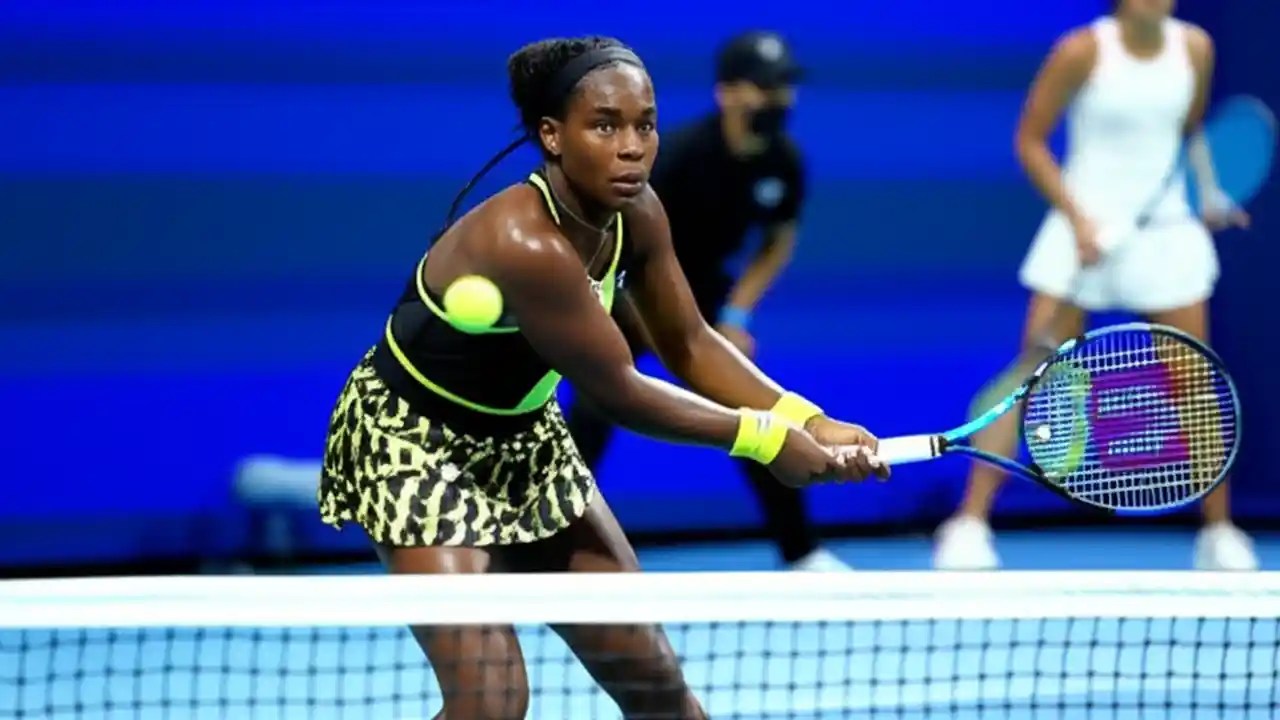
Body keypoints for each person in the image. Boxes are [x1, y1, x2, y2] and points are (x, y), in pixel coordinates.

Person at [317, 36, 888, 720]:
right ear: (552, 137)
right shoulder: (523, 242)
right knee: (490, 702)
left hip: (522, 438)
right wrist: (767, 440)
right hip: (414, 444)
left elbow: (689, 341)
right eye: (605, 125)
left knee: (658, 688)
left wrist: (808, 417)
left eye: (644, 124)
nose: (632, 146)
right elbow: (619, 389)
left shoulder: (638, 213)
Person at [933, 0, 1258, 572]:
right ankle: (968, 522)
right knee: (1032, 378)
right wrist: (1077, 217)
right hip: (1082, 231)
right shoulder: (1081, 50)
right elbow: (1030, 141)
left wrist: (1206, 193)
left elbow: (1189, 131)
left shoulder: (1196, 48)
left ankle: (1220, 532)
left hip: (1165, 234)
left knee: (1197, 389)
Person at [564, 31, 849, 572]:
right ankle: (548, 546)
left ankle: (802, 554)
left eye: (784, 86)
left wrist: (737, 314)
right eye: (764, 86)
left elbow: (777, 242)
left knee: (760, 413)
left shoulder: (785, 161)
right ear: (727, 93)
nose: (777, 99)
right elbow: (615, 241)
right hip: (625, 288)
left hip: (705, 295)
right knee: (595, 414)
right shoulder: (677, 156)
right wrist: (671, 334)